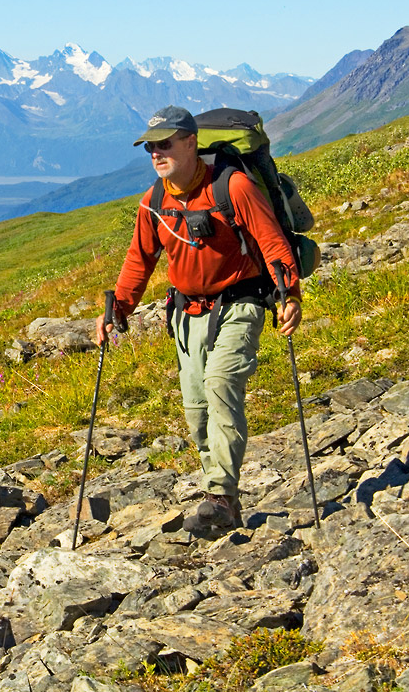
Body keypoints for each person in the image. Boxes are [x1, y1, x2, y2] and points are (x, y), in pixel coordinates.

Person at [96, 105, 302, 535]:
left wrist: (290, 294)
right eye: (151, 146)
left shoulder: (234, 186)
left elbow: (272, 242)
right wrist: (117, 309)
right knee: (197, 411)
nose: (156, 152)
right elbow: (140, 259)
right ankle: (222, 497)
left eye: (165, 143)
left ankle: (219, 497)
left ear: (191, 142)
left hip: (239, 303)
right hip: (187, 313)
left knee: (221, 385)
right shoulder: (154, 201)